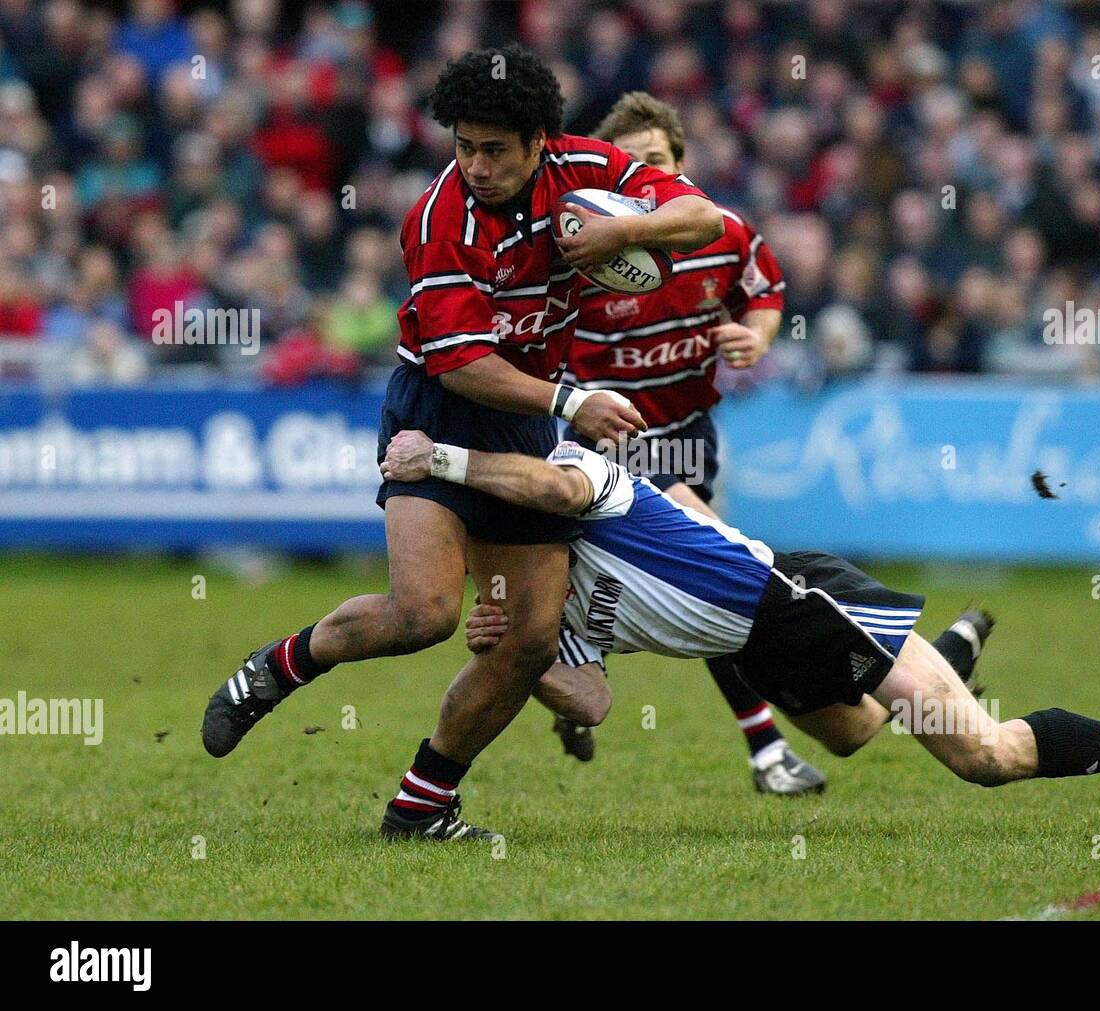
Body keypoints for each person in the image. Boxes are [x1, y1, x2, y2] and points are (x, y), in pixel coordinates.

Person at [201, 46, 724, 843]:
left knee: (528, 641)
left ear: (540, 142)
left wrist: (622, 229)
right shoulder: (440, 218)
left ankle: (421, 806)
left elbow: (707, 220)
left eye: (494, 149)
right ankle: (282, 664)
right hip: (438, 412)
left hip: (524, 423)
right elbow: (464, 364)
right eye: (463, 146)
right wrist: (573, 399)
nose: (475, 165)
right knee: (426, 614)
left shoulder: (587, 168)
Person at [375, 431, 1100, 842]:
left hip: (796, 602)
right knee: (858, 731)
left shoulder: (579, 475)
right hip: (757, 646)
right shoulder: (534, 601)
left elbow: (559, 491)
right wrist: (504, 656)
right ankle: (948, 654)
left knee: (981, 755)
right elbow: (592, 698)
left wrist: (441, 460)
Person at [561, 91, 822, 795]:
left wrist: (755, 336)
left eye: (658, 164)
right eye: (631, 168)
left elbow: (763, 291)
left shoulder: (724, 232)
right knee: (717, 573)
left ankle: (572, 661)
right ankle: (767, 751)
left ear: (680, 168)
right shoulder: (580, 250)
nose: (646, 180)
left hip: (688, 435)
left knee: (696, 582)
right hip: (603, 441)